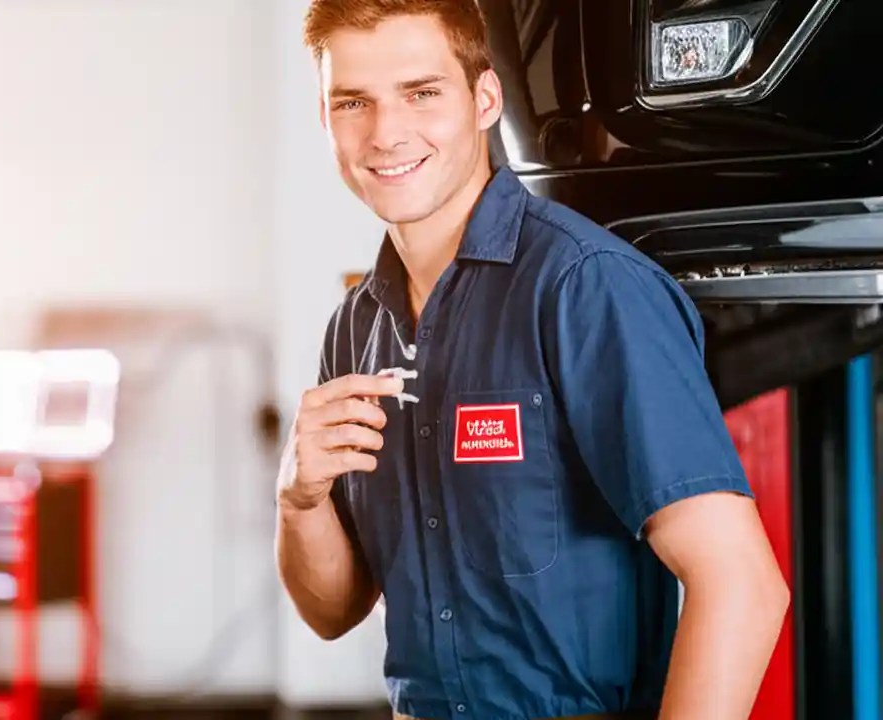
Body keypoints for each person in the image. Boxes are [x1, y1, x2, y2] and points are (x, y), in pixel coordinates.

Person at [273, 1, 791, 719]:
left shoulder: (584, 287)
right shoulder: (356, 330)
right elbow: (333, 611)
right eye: (354, 102)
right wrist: (298, 501)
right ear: (326, 120)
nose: (387, 133)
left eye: (422, 93)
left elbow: (739, 582)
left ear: (485, 99)